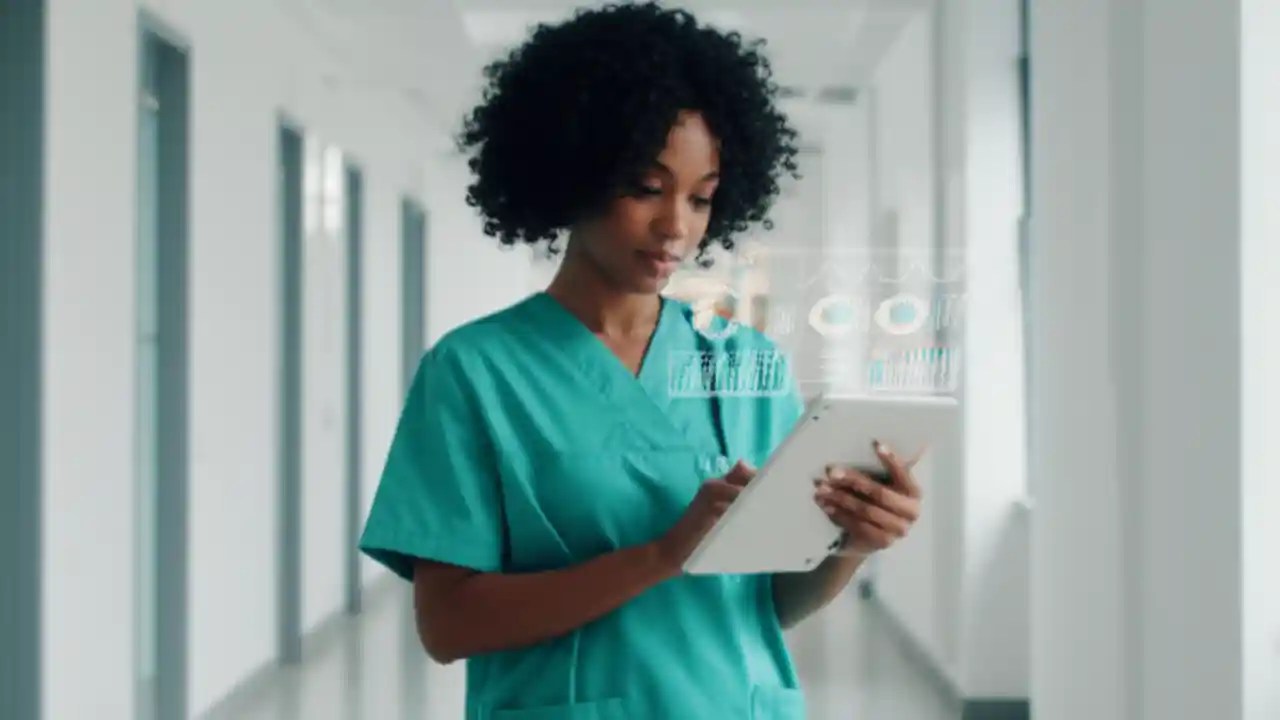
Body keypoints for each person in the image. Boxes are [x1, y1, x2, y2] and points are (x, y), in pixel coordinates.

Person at [358, 4, 922, 718]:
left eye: (702, 198)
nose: (675, 227)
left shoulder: (749, 365)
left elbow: (768, 602)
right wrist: (660, 555)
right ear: (572, 171)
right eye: (646, 188)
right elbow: (448, 626)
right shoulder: (475, 372)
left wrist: (853, 544)